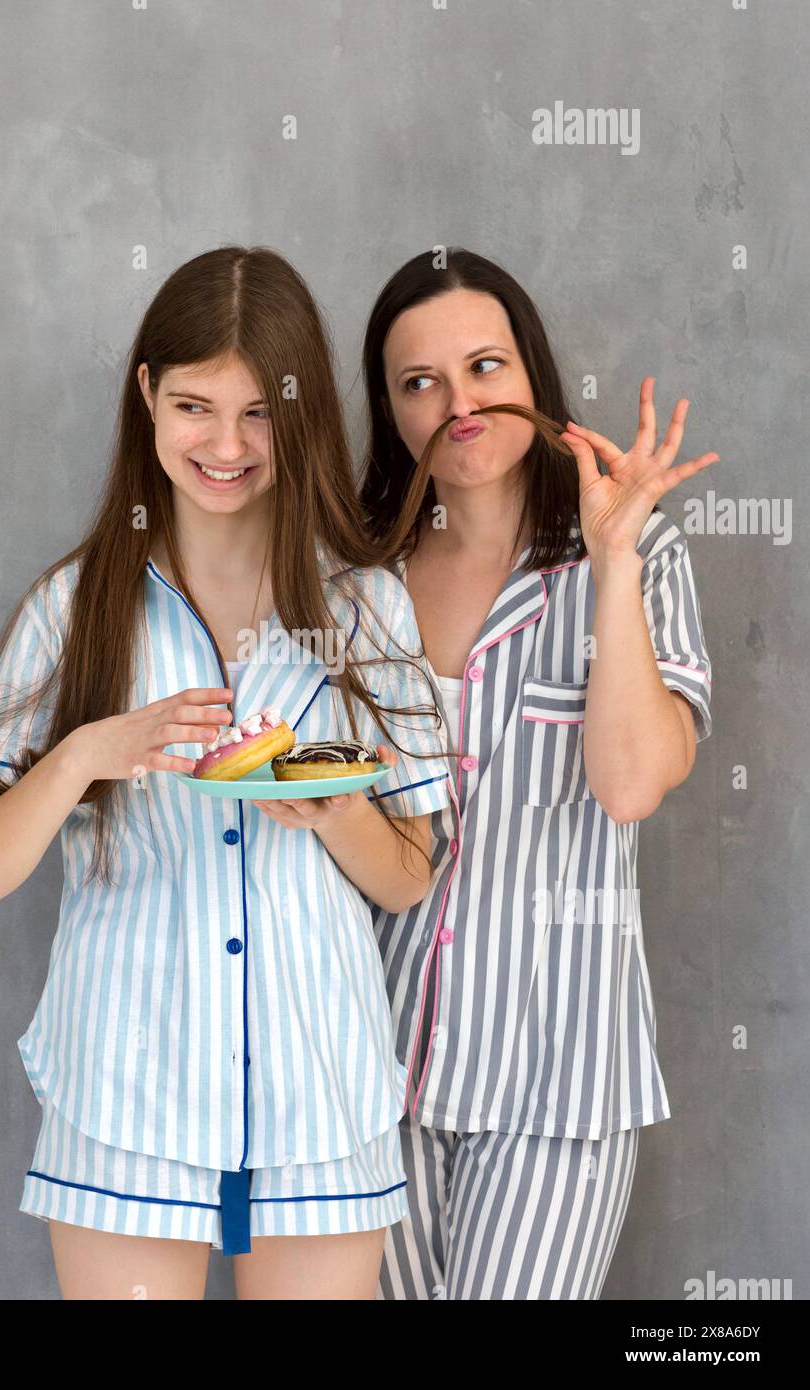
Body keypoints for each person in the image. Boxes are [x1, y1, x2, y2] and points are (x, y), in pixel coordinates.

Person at [0, 245, 452, 1300]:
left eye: (260, 411)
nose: (225, 444)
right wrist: (88, 753)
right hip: (123, 1099)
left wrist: (332, 806)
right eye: (192, 406)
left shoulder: (367, 610)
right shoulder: (72, 611)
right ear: (146, 401)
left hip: (320, 1103)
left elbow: (409, 876)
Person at [359, 247, 716, 1300]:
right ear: (388, 410)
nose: (457, 403)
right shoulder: (358, 576)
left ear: (532, 377)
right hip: (368, 1074)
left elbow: (631, 783)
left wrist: (610, 568)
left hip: (557, 1081)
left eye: (483, 367)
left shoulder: (641, 558)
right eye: (418, 382)